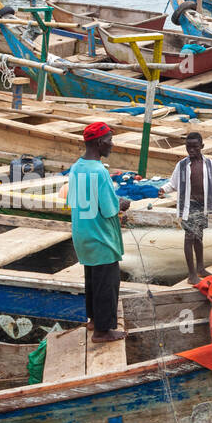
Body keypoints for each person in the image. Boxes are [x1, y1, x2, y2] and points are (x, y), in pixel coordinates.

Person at [68, 122, 129, 341]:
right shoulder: (100, 172)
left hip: (82, 234)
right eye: (109, 141)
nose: (111, 145)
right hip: (101, 237)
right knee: (107, 283)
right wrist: (121, 203)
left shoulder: (76, 167)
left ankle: (94, 320)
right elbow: (109, 209)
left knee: (93, 280)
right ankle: (103, 331)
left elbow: (75, 200)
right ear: (99, 142)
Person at [159, 131, 212, 285]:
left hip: (203, 206)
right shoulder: (182, 165)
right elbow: (173, 184)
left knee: (199, 237)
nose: (191, 150)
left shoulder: (210, 164)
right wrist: (163, 189)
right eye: (188, 147)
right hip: (189, 206)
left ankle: (201, 268)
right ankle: (191, 274)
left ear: (202, 146)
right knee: (189, 237)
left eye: (195, 147)